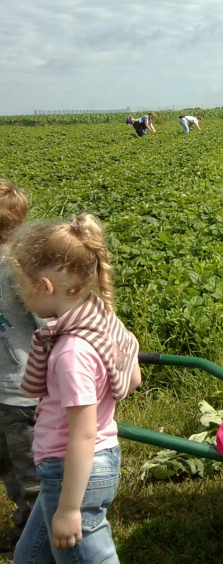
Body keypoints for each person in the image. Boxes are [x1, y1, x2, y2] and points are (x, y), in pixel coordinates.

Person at [6, 213, 141, 564]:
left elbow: (82, 435)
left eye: (23, 288)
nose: (22, 296)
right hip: (83, 465)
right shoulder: (100, 319)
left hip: (72, 472)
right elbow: (134, 378)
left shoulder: (71, 352)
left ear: (47, 287)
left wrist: (68, 509)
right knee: (29, 558)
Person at [0, 180, 40, 553]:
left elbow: (50, 323)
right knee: (8, 464)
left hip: (21, 388)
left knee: (29, 469)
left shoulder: (18, 268)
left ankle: (32, 536)